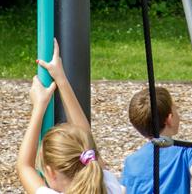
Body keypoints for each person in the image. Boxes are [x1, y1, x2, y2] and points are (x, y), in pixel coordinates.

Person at [17, 40, 124, 194]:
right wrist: (61, 78)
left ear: (51, 173)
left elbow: (25, 167)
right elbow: (84, 136)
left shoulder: (107, 182)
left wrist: (39, 105)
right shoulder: (109, 186)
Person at [120, 87, 192, 194]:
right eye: (176, 109)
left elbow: (123, 191)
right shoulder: (186, 152)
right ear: (170, 119)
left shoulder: (131, 161)